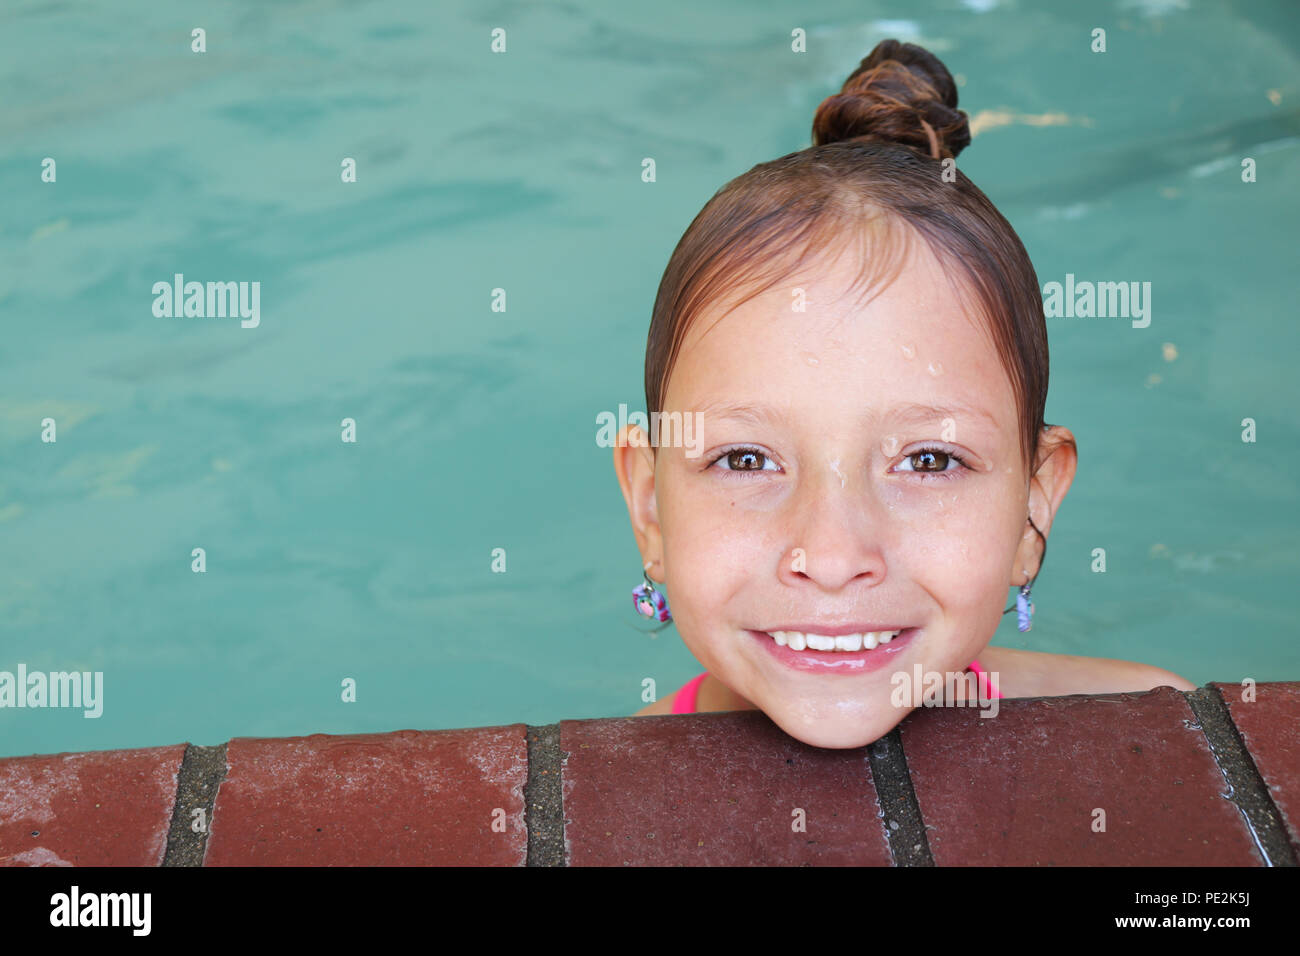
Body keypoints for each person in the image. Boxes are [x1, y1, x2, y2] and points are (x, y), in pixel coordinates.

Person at [613, 39, 1193, 749]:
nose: (831, 557)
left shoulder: (1155, 736)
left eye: (928, 461)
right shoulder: (581, 817)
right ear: (650, 508)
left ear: (1034, 505)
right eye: (744, 459)